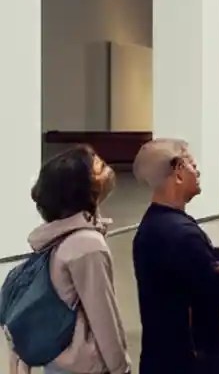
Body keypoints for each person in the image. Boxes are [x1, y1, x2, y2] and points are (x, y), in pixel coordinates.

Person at [8, 145, 130, 374]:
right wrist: (121, 368)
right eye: (96, 166)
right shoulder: (87, 245)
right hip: (86, 366)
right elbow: (103, 316)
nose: (103, 166)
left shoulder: (57, 238)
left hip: (59, 361)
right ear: (81, 189)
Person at [131, 139, 219, 374]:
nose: (198, 171)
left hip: (161, 359)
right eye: (193, 165)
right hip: (192, 362)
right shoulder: (183, 236)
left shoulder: (150, 226)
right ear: (179, 172)